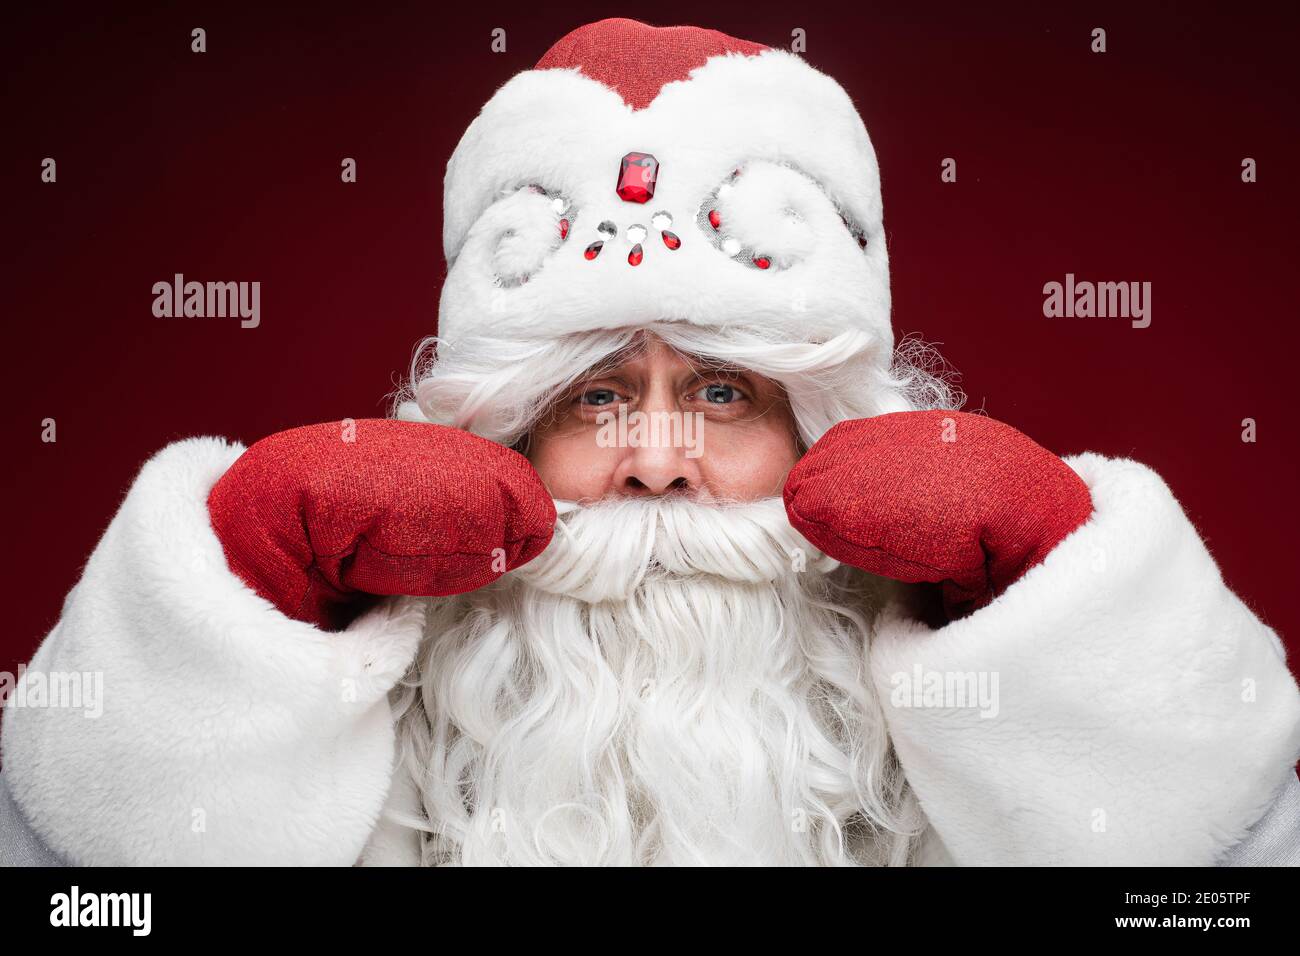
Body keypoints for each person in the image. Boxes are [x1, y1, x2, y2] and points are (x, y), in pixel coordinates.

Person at [2, 18, 1297, 867]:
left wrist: (1066, 620)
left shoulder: (968, 728)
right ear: (502, 434)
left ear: (831, 437)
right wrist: (236, 606)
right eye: (598, 397)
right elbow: (71, 903)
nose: (663, 460)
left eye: (726, 394)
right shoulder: (353, 729)